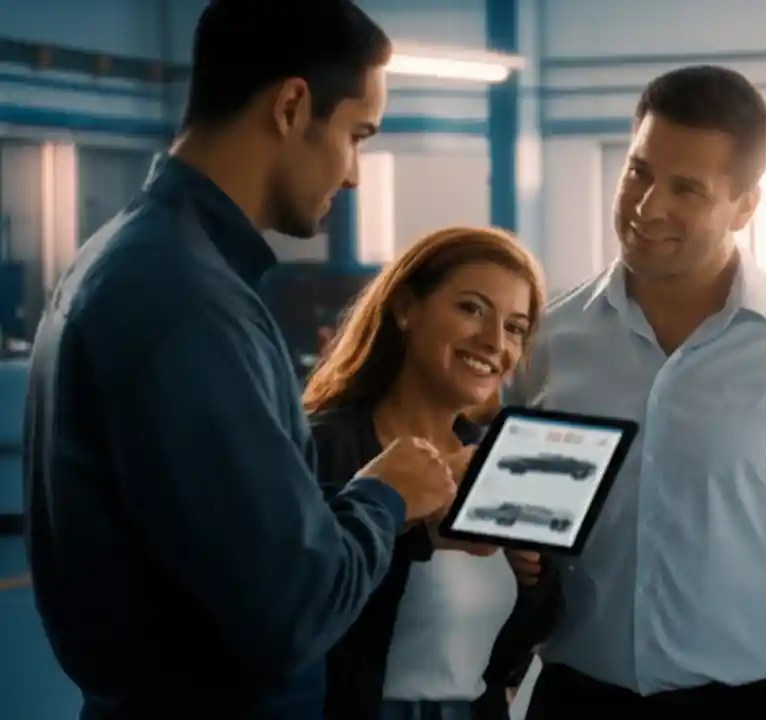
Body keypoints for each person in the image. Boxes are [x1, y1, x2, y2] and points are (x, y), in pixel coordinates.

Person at [21, 1, 460, 717]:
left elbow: (217, 537)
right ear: (291, 106)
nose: (354, 174)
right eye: (356, 136)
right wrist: (384, 496)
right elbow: (290, 611)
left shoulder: (123, 261)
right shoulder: (190, 304)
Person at [505, 65, 766, 720]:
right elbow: (514, 536)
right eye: (639, 170)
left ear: (745, 206)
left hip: (750, 705)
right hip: (575, 699)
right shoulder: (549, 338)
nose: (647, 205)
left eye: (687, 189)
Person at [302, 226, 558, 720]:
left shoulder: (497, 458)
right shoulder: (322, 446)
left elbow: (514, 651)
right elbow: (296, 605)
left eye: (515, 327)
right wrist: (414, 525)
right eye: (471, 309)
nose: (493, 341)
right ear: (405, 308)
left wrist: (532, 575)